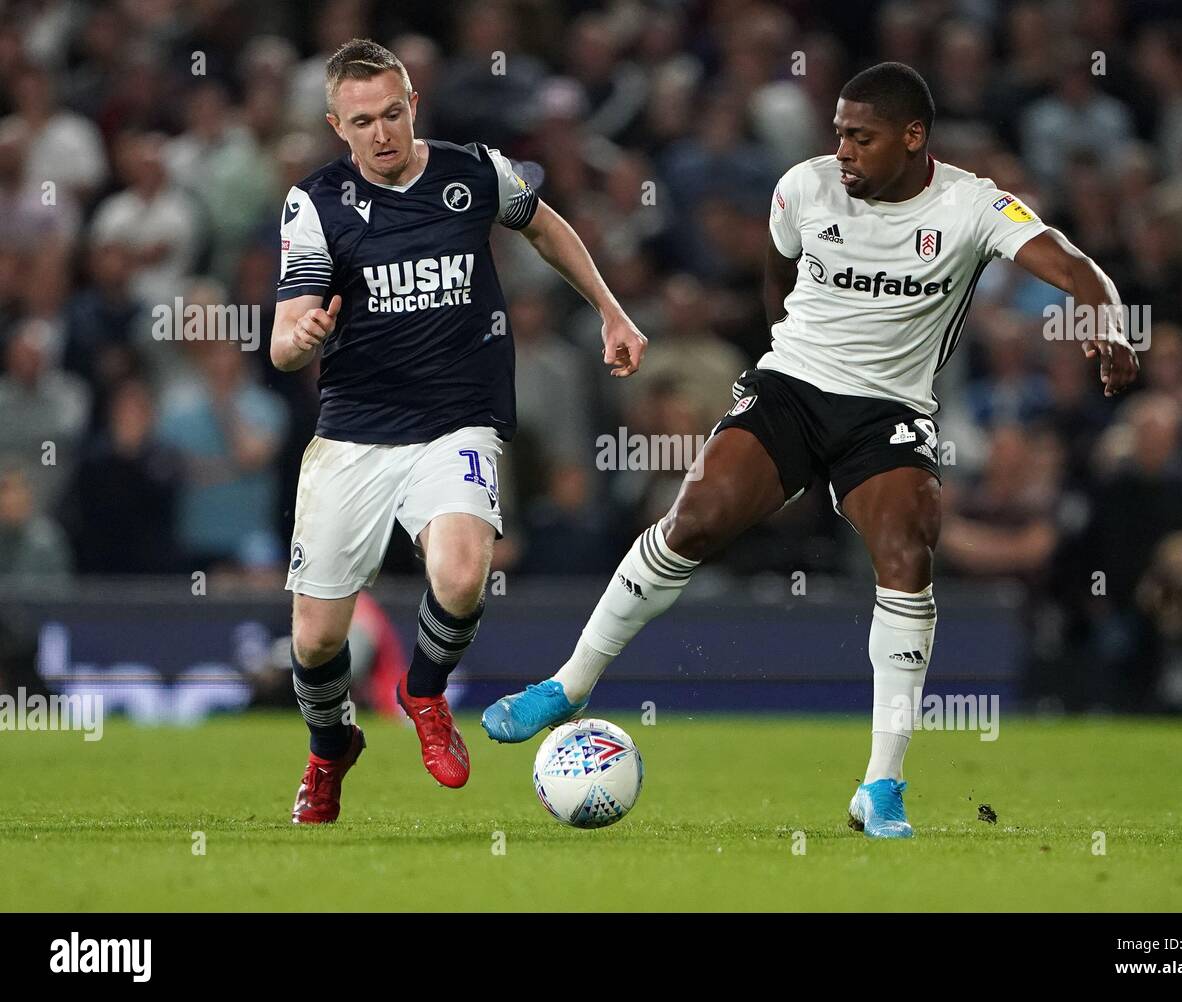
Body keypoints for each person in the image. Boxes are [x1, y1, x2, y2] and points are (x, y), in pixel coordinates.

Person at [482, 62, 1138, 839]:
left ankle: (881, 787)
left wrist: (1108, 323)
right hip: (794, 385)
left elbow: (1070, 263)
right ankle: (569, 684)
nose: (844, 151)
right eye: (838, 134)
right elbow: (777, 274)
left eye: (861, 137)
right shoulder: (804, 186)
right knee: (693, 519)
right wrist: (781, 358)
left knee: (907, 548)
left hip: (890, 410)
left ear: (913, 137)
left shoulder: (971, 206)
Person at [271, 39, 646, 824]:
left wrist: (610, 310)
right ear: (336, 124)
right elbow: (281, 336)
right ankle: (330, 749)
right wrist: (298, 338)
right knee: (312, 643)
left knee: (463, 572)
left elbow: (546, 228)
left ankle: (424, 694)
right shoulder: (315, 204)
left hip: (456, 423)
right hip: (356, 434)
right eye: (363, 120)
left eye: (394, 113)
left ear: (414, 103)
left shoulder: (474, 171)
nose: (382, 133)